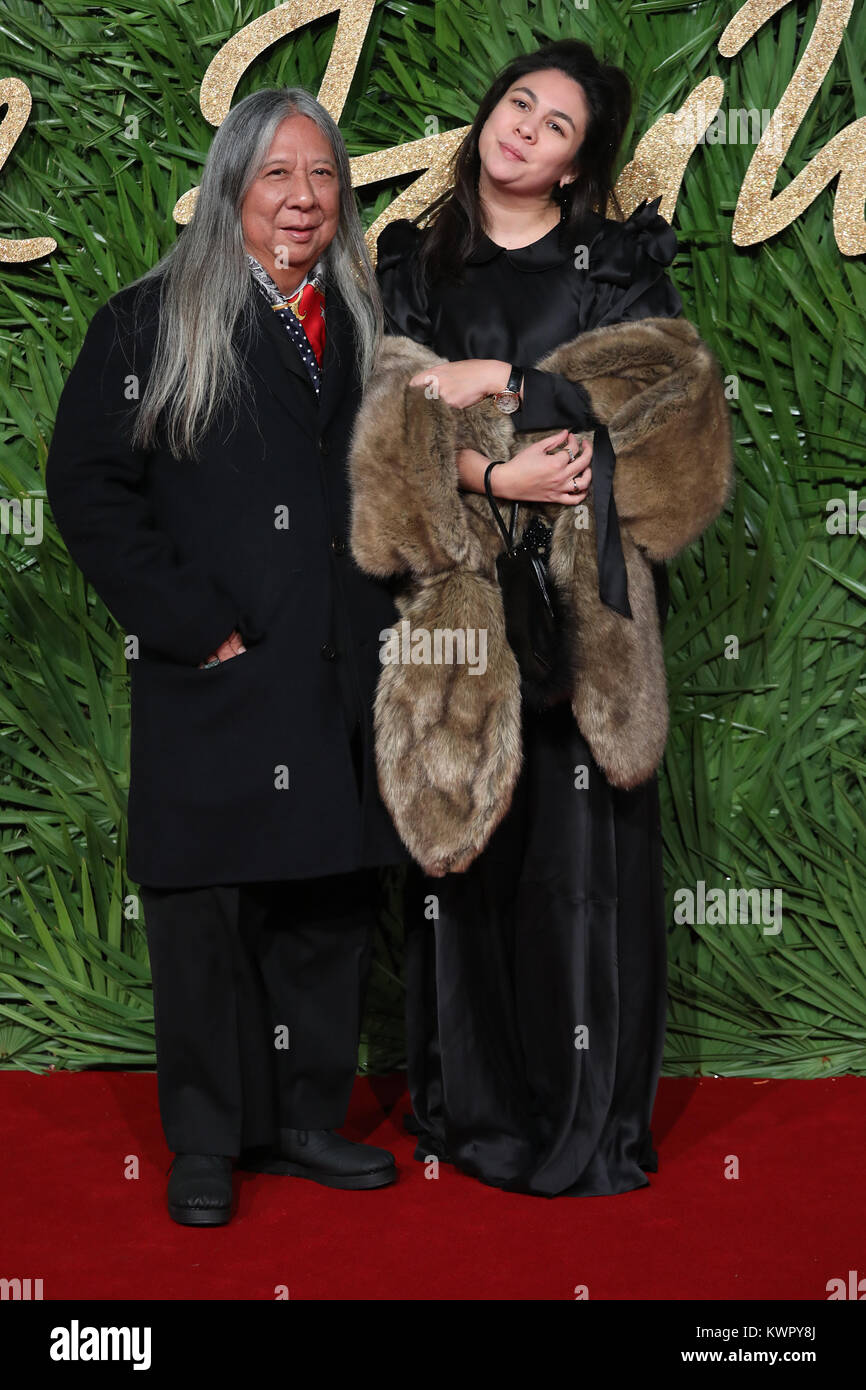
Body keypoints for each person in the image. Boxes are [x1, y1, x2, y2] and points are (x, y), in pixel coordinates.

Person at [352, 39, 731, 1197]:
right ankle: (474, 1118)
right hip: (461, 616)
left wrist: (504, 388)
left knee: (580, 874)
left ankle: (585, 1131)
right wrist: (486, 481)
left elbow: (673, 421)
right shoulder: (412, 266)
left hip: (583, 615)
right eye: (515, 104)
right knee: (464, 856)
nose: (521, 129)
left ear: (574, 166)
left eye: (553, 124)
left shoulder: (613, 267)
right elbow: (371, 439)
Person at [44, 87, 409, 1225]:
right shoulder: (147, 321)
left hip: (336, 669)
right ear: (230, 191)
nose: (303, 200)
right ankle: (205, 1141)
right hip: (212, 669)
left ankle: (304, 1119)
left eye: (321, 176)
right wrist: (194, 623)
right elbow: (88, 489)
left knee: (324, 904)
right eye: (274, 177)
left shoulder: (358, 319)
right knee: (203, 916)